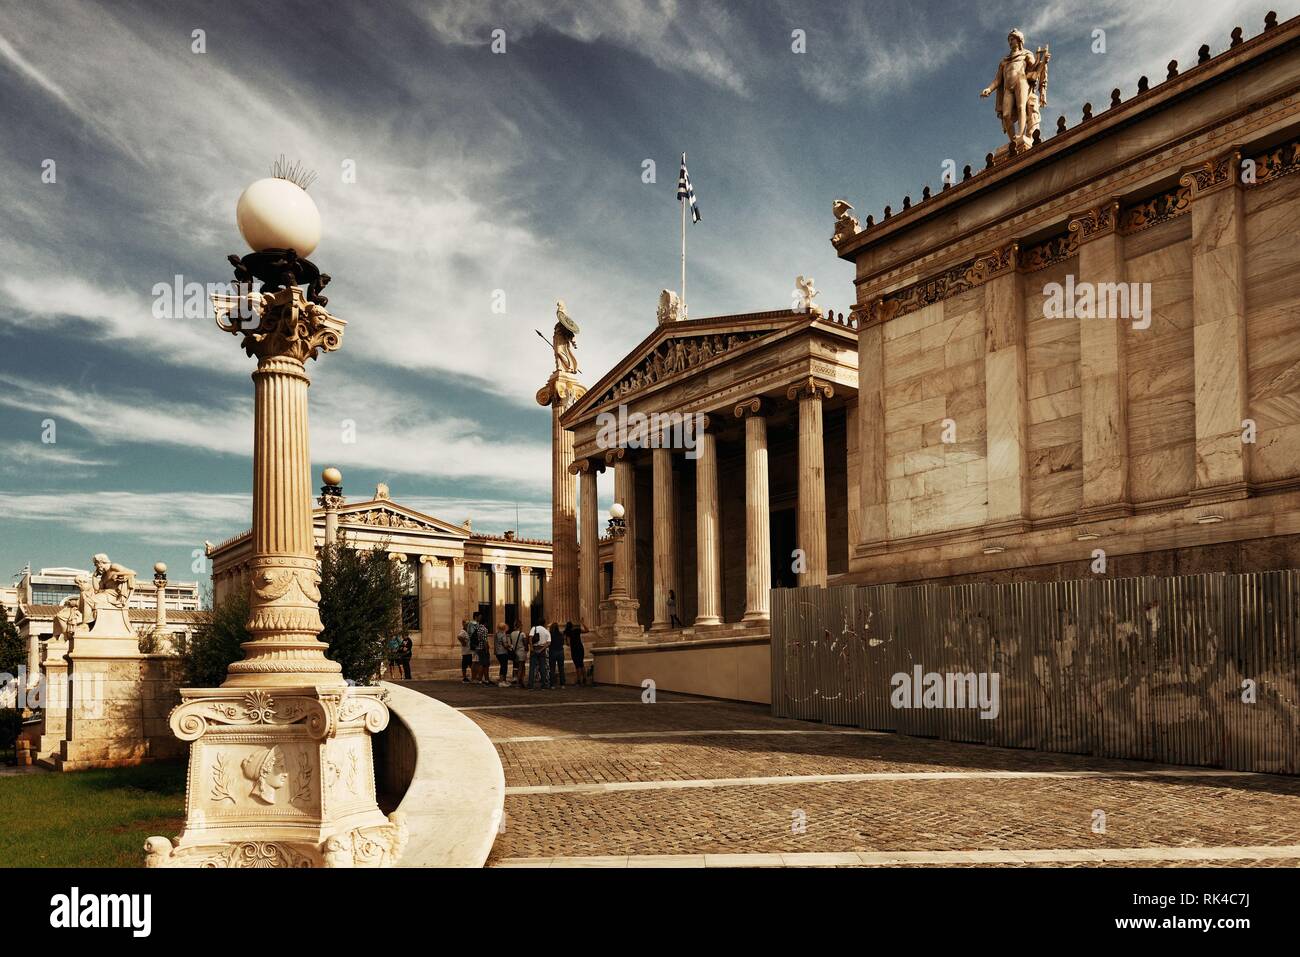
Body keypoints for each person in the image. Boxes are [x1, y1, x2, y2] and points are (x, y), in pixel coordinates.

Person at [528, 621, 551, 690]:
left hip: (534, 648)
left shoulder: (534, 628)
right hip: (542, 649)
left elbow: (530, 638)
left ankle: (531, 685)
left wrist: (531, 647)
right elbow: (548, 642)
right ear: (544, 624)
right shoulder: (546, 631)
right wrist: (542, 649)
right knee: (542, 667)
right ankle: (543, 685)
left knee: (532, 668)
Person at [473, 612, 492, 685]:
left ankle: (482, 679)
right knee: (484, 664)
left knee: (482, 663)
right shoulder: (484, 629)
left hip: (478, 647)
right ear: (486, 622)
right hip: (483, 648)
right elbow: (485, 640)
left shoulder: (478, 628)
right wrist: (487, 649)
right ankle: (482, 679)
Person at [568, 621, 587, 686]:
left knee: (577, 665)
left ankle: (579, 680)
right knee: (581, 663)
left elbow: (568, 643)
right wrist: (583, 623)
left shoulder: (568, 633)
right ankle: (584, 679)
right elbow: (587, 630)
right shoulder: (577, 630)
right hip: (580, 647)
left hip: (574, 649)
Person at [512, 621, 530, 686]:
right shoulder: (522, 634)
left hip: (515, 652)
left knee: (517, 666)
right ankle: (518, 682)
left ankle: (520, 680)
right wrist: (527, 649)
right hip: (521, 651)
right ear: (520, 626)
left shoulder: (512, 633)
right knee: (521, 667)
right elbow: (525, 643)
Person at [549, 620, 567, 688]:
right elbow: (563, 642)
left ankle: (552, 684)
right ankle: (562, 684)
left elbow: (549, 643)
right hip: (560, 651)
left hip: (553, 651)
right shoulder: (561, 634)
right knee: (561, 668)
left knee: (552, 668)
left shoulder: (550, 635)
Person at [494, 622, 511, 686]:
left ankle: (503, 680)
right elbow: (505, 644)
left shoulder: (497, 634)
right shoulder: (503, 634)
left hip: (498, 652)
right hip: (503, 652)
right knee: (504, 666)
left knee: (502, 666)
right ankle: (502, 681)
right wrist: (510, 646)